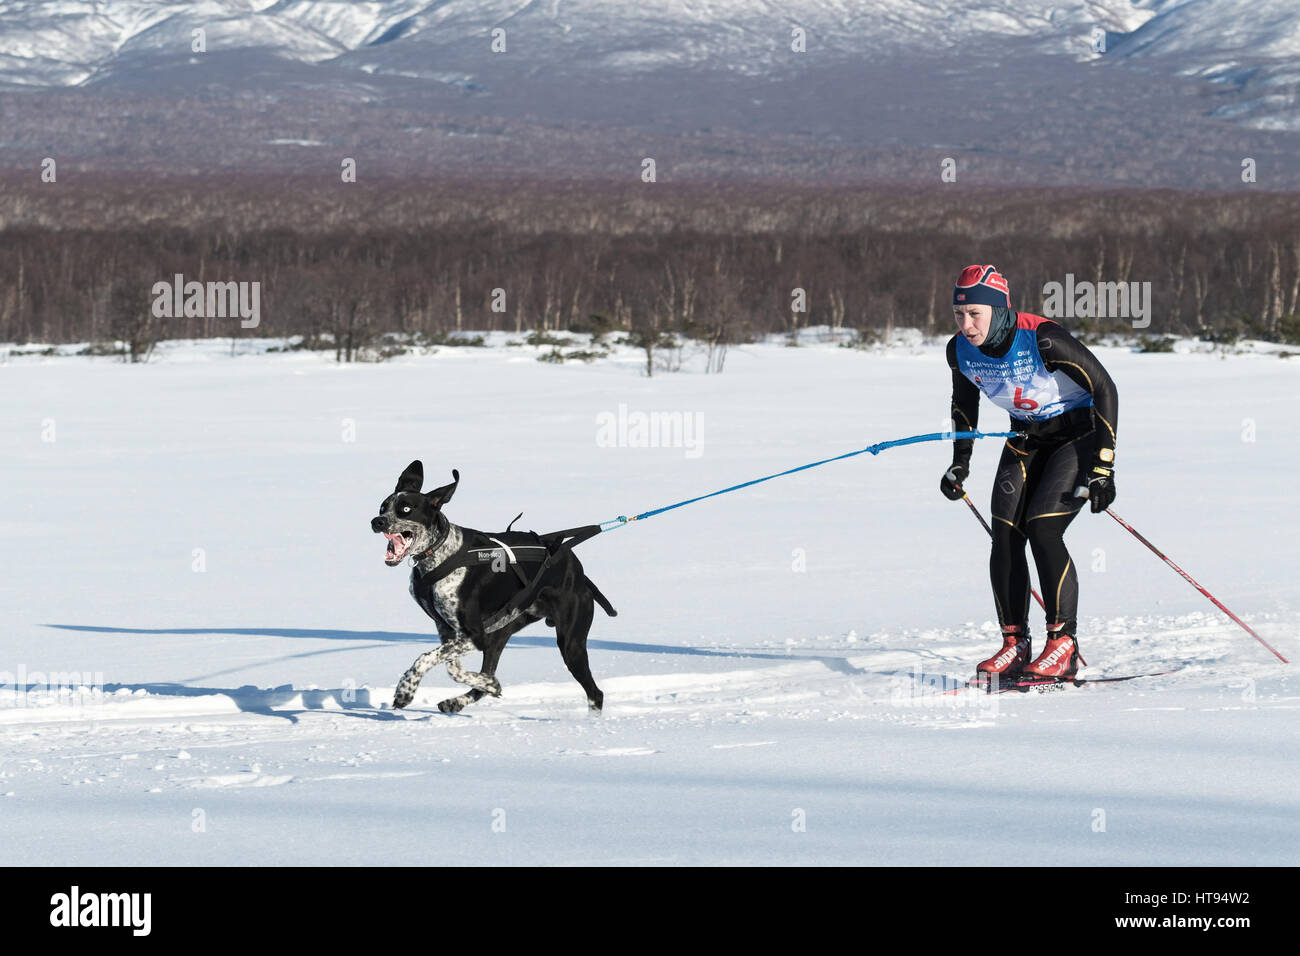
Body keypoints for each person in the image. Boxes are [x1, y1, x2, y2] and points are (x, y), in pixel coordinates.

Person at [940, 264, 1118, 680]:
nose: (966, 325)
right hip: (1026, 438)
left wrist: (1104, 467)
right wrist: (959, 462)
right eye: (958, 315)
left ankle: (1063, 644)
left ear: (999, 310)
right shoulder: (959, 351)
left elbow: (1105, 387)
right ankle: (1015, 644)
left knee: (1042, 527)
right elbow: (964, 405)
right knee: (1005, 533)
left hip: (1077, 437)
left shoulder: (1044, 339)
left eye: (975, 315)